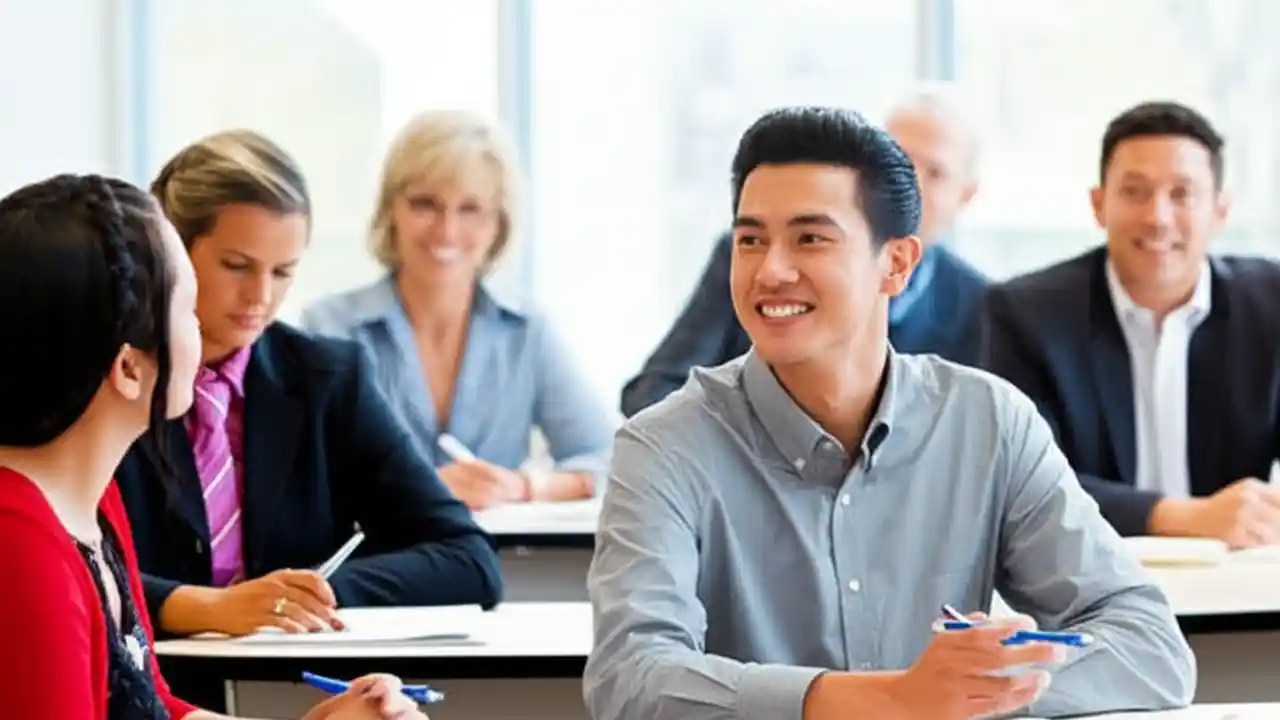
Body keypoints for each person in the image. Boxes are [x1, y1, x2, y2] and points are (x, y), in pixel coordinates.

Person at [584, 107, 1194, 720]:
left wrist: (977, 696)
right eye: (751, 240)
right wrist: (895, 700)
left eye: (809, 238)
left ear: (897, 263)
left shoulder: (988, 423)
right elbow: (630, 680)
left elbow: (1150, 645)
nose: (771, 270)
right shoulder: (662, 447)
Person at [0, 173, 428, 719]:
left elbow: (157, 708)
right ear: (129, 367)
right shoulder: (20, 547)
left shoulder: (93, 504)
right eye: (188, 308)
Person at [115, 130, 502, 648]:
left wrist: (303, 595)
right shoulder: (108, 377)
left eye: (283, 272)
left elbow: (467, 558)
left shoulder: (326, 378)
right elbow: (62, 566)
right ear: (171, 254)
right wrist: (208, 606)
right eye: (236, 266)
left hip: (286, 680)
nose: (261, 296)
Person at [981, 100, 1280, 546]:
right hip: (1090, 579)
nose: (1158, 217)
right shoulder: (1025, 313)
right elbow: (1019, 481)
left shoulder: (1270, 305)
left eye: (1182, 194)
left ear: (1220, 210)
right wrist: (1188, 517)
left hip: (1238, 583)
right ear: (1099, 204)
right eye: (1135, 192)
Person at [303, 110, 613, 510]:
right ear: (390, 209)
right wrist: (419, 488)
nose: (446, 231)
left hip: (498, 563)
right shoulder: (330, 327)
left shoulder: (528, 332)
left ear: (498, 223)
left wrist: (521, 486)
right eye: (425, 204)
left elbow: (609, 461)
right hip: (374, 565)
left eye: (470, 209)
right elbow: (306, 479)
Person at [619, 86, 989, 417]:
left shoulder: (984, 308)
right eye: (897, 159)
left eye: (935, 172)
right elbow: (655, 391)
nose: (909, 181)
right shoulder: (749, 257)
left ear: (966, 194)